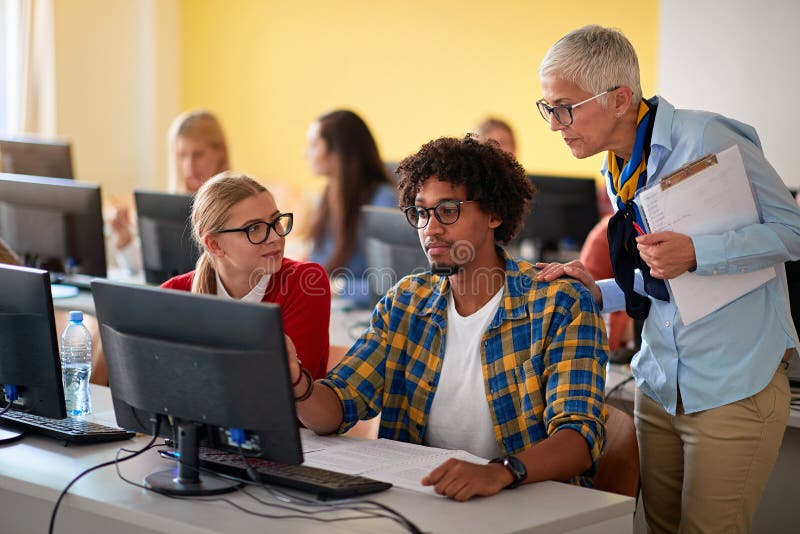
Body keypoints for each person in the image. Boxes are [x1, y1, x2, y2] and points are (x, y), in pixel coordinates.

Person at [535, 25, 800, 533]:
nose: (554, 125)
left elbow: (793, 231)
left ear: (620, 99)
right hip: (658, 385)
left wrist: (699, 253)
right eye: (548, 108)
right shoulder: (616, 166)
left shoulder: (707, 138)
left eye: (565, 108)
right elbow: (660, 282)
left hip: (732, 386)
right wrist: (598, 293)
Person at [288, 135, 608, 501]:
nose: (430, 228)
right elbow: (337, 406)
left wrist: (500, 472)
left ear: (494, 214)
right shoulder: (406, 302)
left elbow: (579, 439)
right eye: (421, 212)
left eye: (448, 211)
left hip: (533, 502)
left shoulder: (559, 303)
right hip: (432, 501)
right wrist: (296, 380)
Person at [161, 172, 331, 380]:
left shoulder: (305, 283)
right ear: (214, 245)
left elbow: (288, 386)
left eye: (276, 221)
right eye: (255, 228)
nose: (276, 236)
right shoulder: (173, 294)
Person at [109, 109, 230, 274]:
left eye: (198, 154)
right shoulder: (169, 207)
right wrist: (124, 238)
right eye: (182, 155)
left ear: (220, 151)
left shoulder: (238, 206)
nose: (189, 165)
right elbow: (148, 270)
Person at [305, 109, 397, 307]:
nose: (305, 153)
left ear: (337, 151)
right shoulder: (326, 196)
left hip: (369, 313)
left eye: (313, 145)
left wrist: (337, 287)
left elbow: (392, 286)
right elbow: (320, 263)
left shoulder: (383, 201)